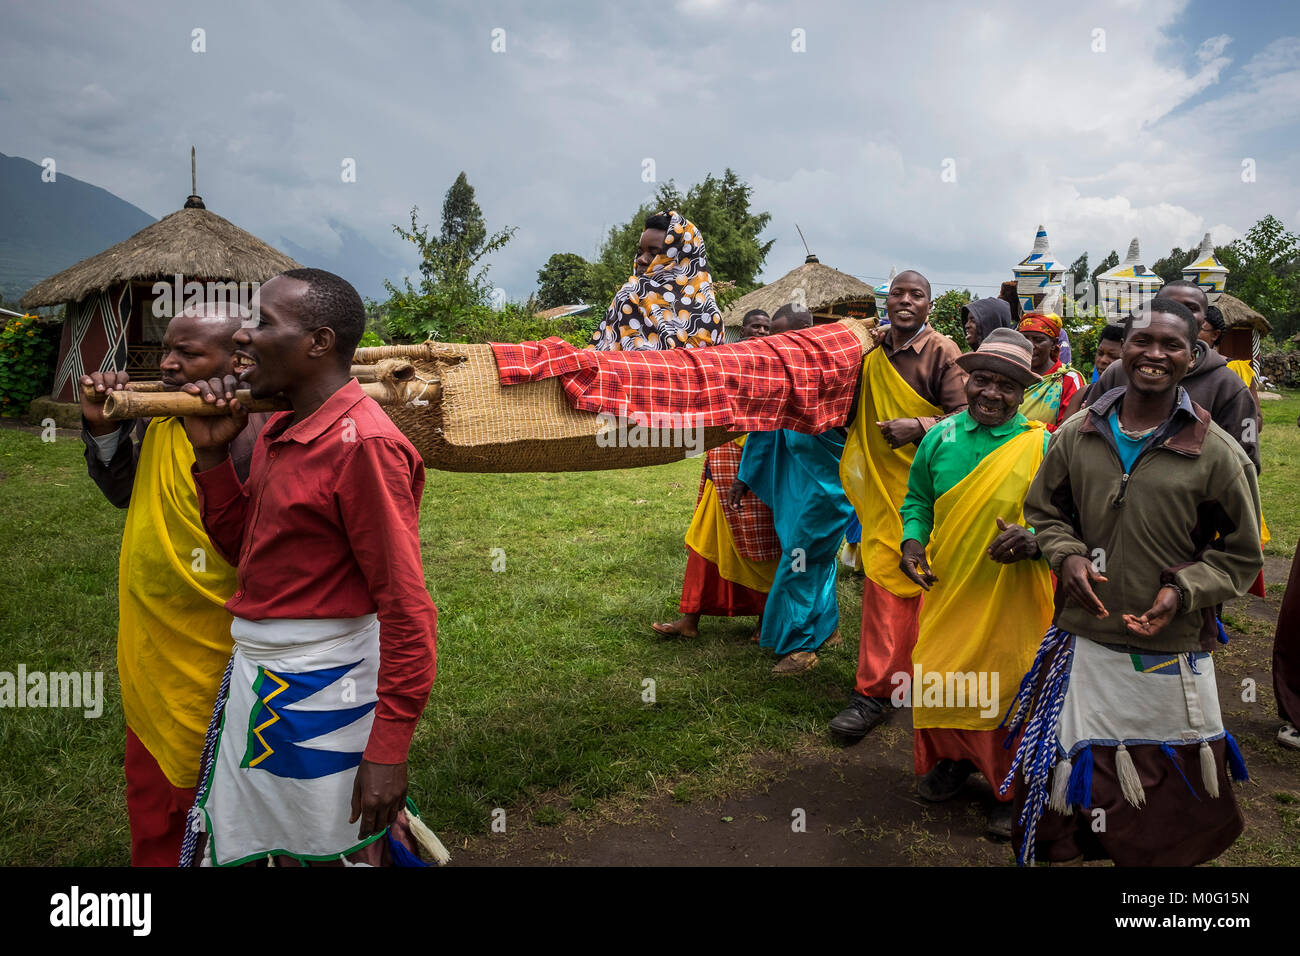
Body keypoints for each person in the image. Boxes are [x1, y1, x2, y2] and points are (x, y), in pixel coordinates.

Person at [181, 268, 438, 866]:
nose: (242, 336)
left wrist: (387, 749)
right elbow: (249, 553)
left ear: (319, 342)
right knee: (280, 849)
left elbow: (407, 608)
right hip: (263, 684)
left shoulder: (363, 447)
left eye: (263, 323)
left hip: (326, 692)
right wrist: (214, 454)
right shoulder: (282, 426)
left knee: (334, 850)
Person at [1005, 299, 1262, 866]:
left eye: (1171, 345)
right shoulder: (1079, 432)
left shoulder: (1215, 453)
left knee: (1168, 799)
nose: (1154, 354)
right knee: (1061, 780)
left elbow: (1241, 556)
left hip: (1168, 647)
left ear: (1192, 356)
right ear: (1123, 348)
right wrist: (1066, 555)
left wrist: (1183, 590)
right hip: (1083, 634)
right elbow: (1044, 511)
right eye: (1142, 341)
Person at [79, 304, 270, 866]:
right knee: (153, 788)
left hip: (215, 653)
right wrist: (102, 427)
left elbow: (257, 547)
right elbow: (123, 492)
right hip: (150, 646)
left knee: (207, 793)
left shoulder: (253, 431)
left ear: (236, 363)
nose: (166, 364)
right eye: (166, 349)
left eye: (187, 354)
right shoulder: (160, 416)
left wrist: (216, 448)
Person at [897, 329, 1053, 839]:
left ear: (1023, 392)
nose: (991, 393)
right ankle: (955, 761)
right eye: (982, 380)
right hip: (949, 585)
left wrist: (1033, 539)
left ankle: (1012, 786)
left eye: (1006, 386)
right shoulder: (938, 438)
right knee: (943, 672)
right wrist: (912, 543)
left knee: (1010, 681)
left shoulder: (1043, 446)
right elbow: (917, 500)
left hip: (1014, 596)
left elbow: (1069, 517)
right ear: (966, 379)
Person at [832, 270, 969, 737]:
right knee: (885, 586)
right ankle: (876, 691)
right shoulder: (869, 348)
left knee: (918, 586)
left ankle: (896, 684)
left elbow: (971, 415)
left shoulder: (942, 352)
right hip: (881, 488)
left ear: (931, 304)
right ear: (885, 300)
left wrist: (918, 425)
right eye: (897, 293)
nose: (905, 300)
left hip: (928, 490)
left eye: (917, 294)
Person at [728, 303, 855, 674]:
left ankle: (799, 648)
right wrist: (745, 476)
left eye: (784, 336)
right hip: (796, 483)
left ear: (805, 332)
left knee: (800, 559)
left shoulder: (836, 368)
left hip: (827, 485)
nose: (775, 343)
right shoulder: (783, 371)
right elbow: (767, 426)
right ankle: (827, 629)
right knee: (813, 557)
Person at [652, 310, 779, 640]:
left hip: (757, 474)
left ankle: (766, 620)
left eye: (767, 328)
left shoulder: (777, 370)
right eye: (755, 326)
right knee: (703, 544)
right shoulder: (725, 364)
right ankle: (689, 620)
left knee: (761, 549)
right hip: (720, 468)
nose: (761, 332)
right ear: (742, 330)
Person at [589, 210, 724, 351]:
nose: (640, 259)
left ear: (679, 258)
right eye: (640, 252)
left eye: (654, 253)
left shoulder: (634, 294)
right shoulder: (711, 313)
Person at [1016, 312, 1085, 431]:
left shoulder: (1068, 379)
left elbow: (1066, 433)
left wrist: (1021, 427)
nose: (1031, 346)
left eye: (1038, 340)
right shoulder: (1011, 374)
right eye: (1025, 339)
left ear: (1053, 344)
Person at [1061, 323, 1124, 419]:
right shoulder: (1083, 393)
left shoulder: (1133, 401)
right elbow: (1063, 433)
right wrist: (1080, 419)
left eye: (1113, 356)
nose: (1102, 360)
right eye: (1100, 353)